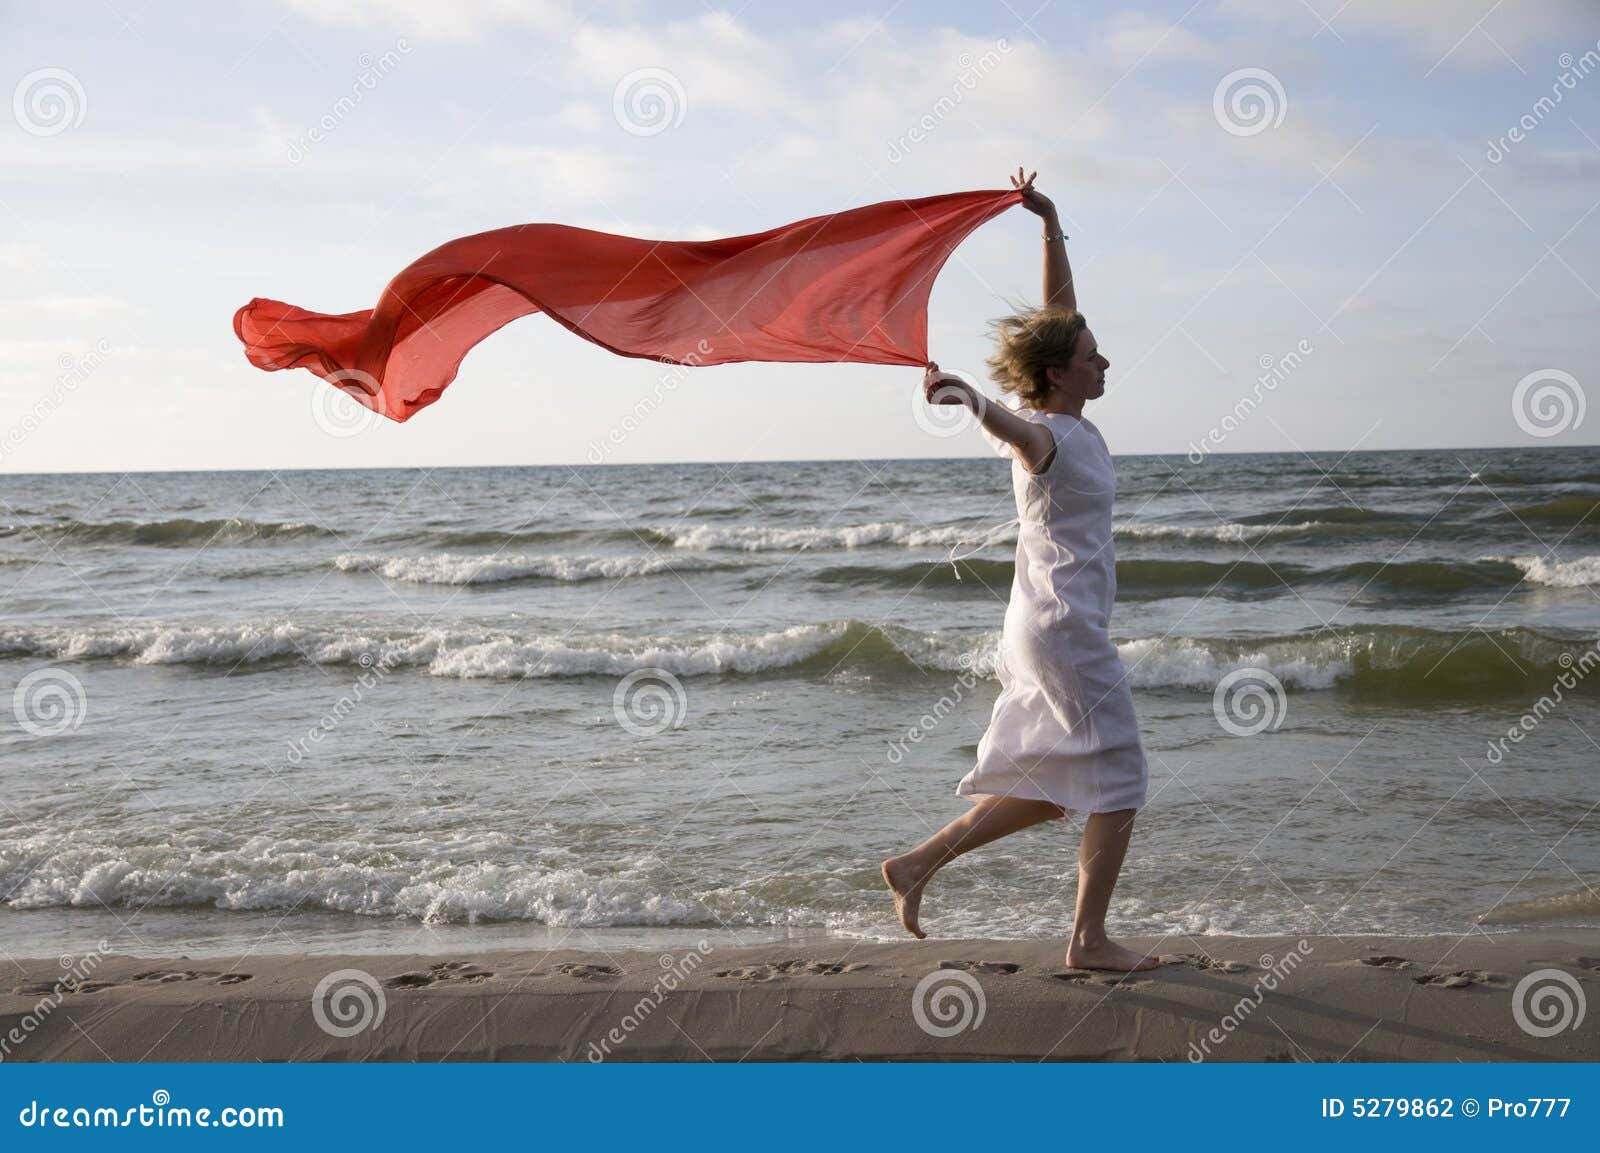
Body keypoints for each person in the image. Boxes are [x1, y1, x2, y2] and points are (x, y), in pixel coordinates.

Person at [881, 168, 1156, 972]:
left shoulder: (1073, 426)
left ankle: (918, 862)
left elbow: (1059, 316)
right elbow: (1013, 429)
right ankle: (1089, 940)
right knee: (1121, 776)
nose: (1104, 362)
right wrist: (969, 397)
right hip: (1063, 630)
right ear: (1061, 373)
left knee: (1060, 782)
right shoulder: (1046, 438)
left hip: (1050, 624)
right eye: (1092, 357)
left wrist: (1049, 222)